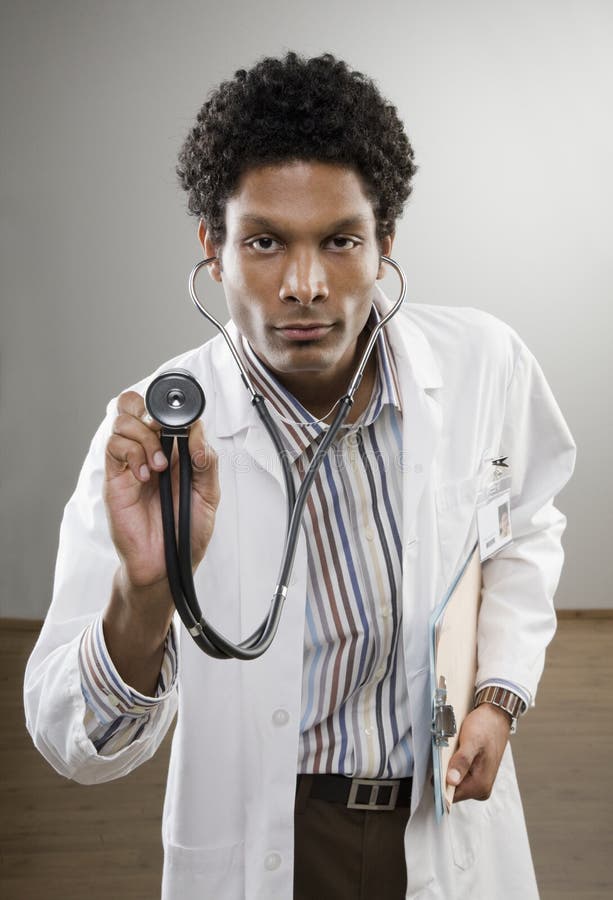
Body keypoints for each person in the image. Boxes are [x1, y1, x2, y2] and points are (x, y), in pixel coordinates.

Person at [24, 52, 576, 899]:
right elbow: (73, 744)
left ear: (385, 240)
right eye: (265, 242)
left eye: (342, 240)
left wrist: (497, 698)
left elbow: (525, 526)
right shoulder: (152, 435)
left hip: (447, 825)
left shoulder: (480, 364)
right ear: (213, 249)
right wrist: (144, 596)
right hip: (271, 844)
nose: (306, 285)